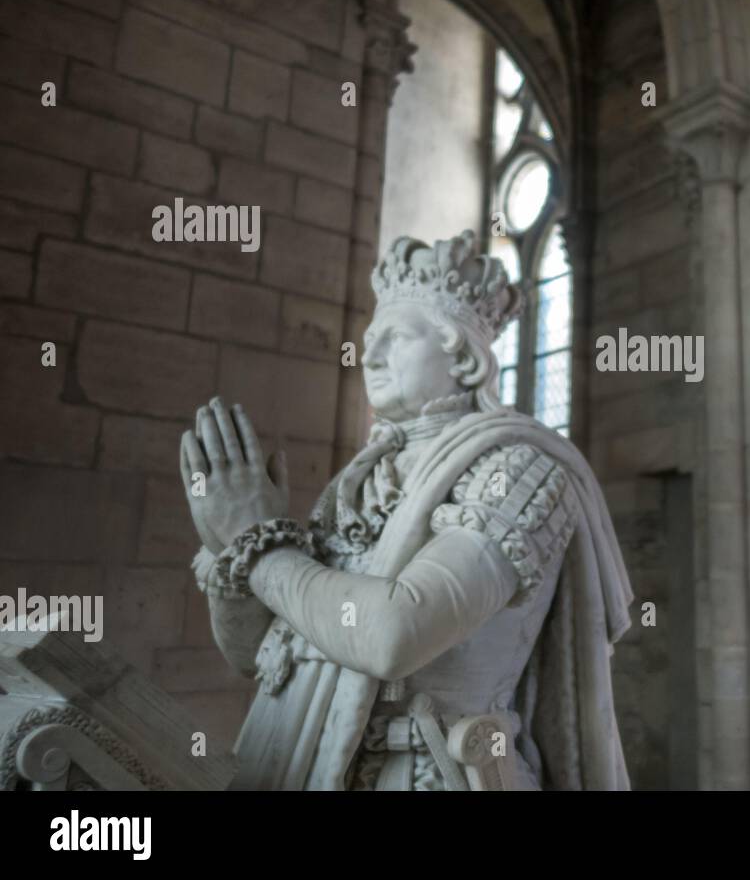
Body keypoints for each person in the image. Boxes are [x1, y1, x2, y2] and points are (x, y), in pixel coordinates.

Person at [180, 232, 633, 790]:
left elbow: (392, 634)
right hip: (320, 769)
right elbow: (261, 657)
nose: (368, 355)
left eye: (395, 337)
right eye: (369, 339)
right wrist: (230, 552)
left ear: (464, 357)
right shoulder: (356, 483)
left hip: (433, 774)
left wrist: (258, 542)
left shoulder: (522, 470)